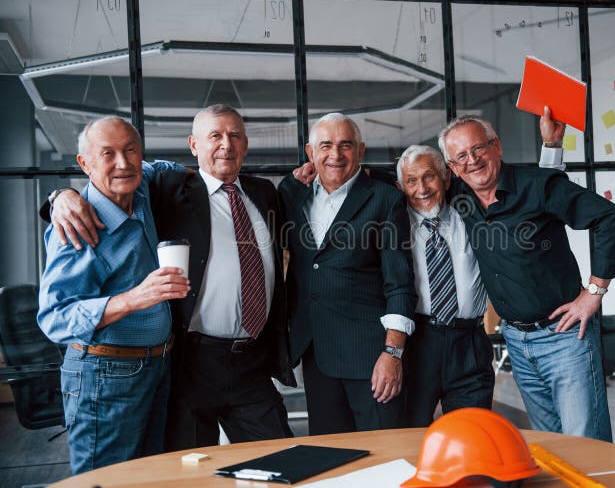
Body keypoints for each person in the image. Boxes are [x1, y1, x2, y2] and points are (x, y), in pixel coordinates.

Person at [48, 104, 295, 450]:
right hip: (190, 365)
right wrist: (62, 196)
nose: (226, 144)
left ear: (246, 144)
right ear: (194, 145)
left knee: (281, 459)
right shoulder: (167, 188)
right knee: (190, 472)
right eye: (215, 136)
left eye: (234, 135)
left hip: (251, 363)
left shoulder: (263, 192)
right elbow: (114, 175)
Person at [439, 113, 615, 442]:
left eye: (478, 148)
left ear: (496, 146)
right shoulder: (460, 199)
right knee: (551, 443)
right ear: (453, 167)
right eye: (461, 156)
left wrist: (594, 291)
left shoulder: (538, 186)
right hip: (516, 341)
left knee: (585, 443)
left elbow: (611, 219)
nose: (472, 160)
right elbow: (413, 177)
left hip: (565, 338)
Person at [38, 117, 190, 473]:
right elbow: (54, 317)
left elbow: (164, 167)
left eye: (131, 150)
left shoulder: (139, 189)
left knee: (148, 480)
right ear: (85, 164)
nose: (123, 163)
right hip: (104, 376)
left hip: (156, 367)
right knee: (104, 481)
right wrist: (136, 297)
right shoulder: (76, 229)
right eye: (108, 154)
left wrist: (61, 192)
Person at [279, 112, 417, 435]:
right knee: (331, 456)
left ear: (361, 151)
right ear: (311, 153)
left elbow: (399, 284)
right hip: (317, 355)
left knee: (386, 458)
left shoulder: (385, 199)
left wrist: (392, 353)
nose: (335, 155)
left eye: (346, 145)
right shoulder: (294, 197)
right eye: (325, 146)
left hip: (370, 357)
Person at [395, 145, 494, 426]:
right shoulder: (393, 227)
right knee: (410, 436)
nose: (422, 188)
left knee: (474, 435)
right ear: (400, 187)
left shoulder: (473, 217)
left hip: (470, 343)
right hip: (417, 342)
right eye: (411, 181)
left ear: (447, 178)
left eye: (430, 177)